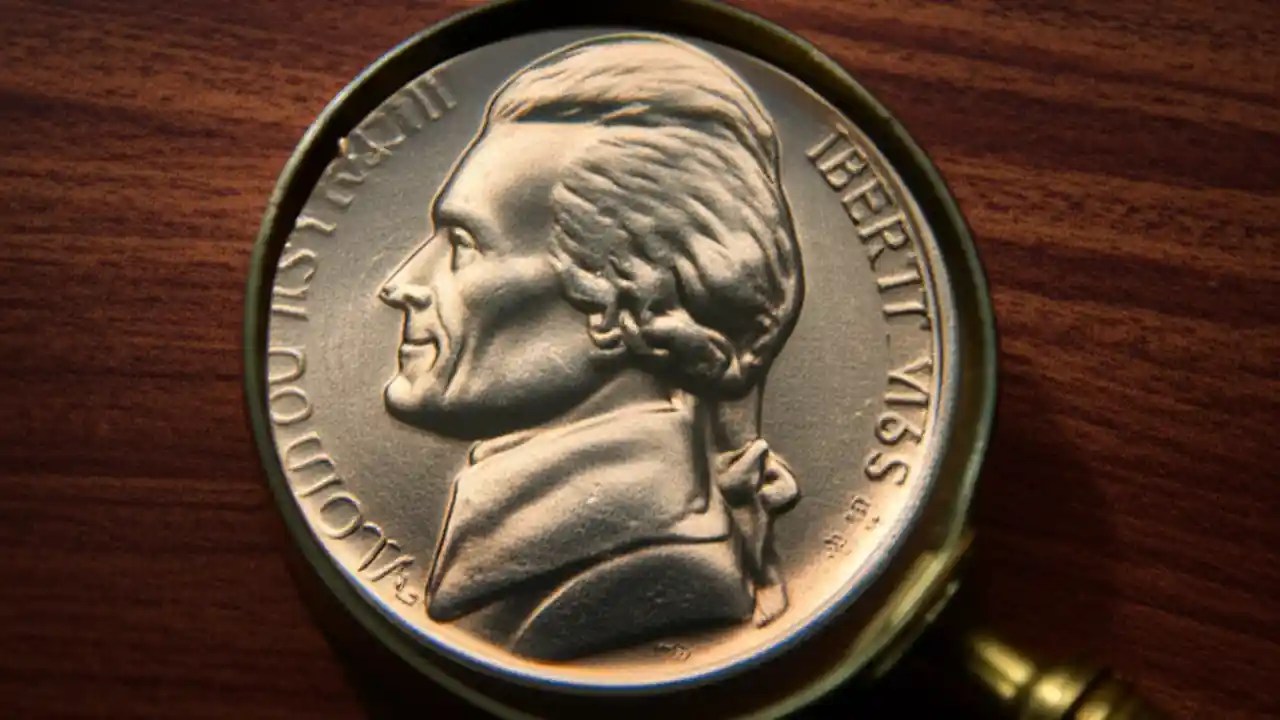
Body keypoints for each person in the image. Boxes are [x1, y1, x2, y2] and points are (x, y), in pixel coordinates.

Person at [378, 34, 805, 661]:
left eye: (464, 246)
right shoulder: (521, 573)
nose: (402, 286)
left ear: (624, 300)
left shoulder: (638, 587)